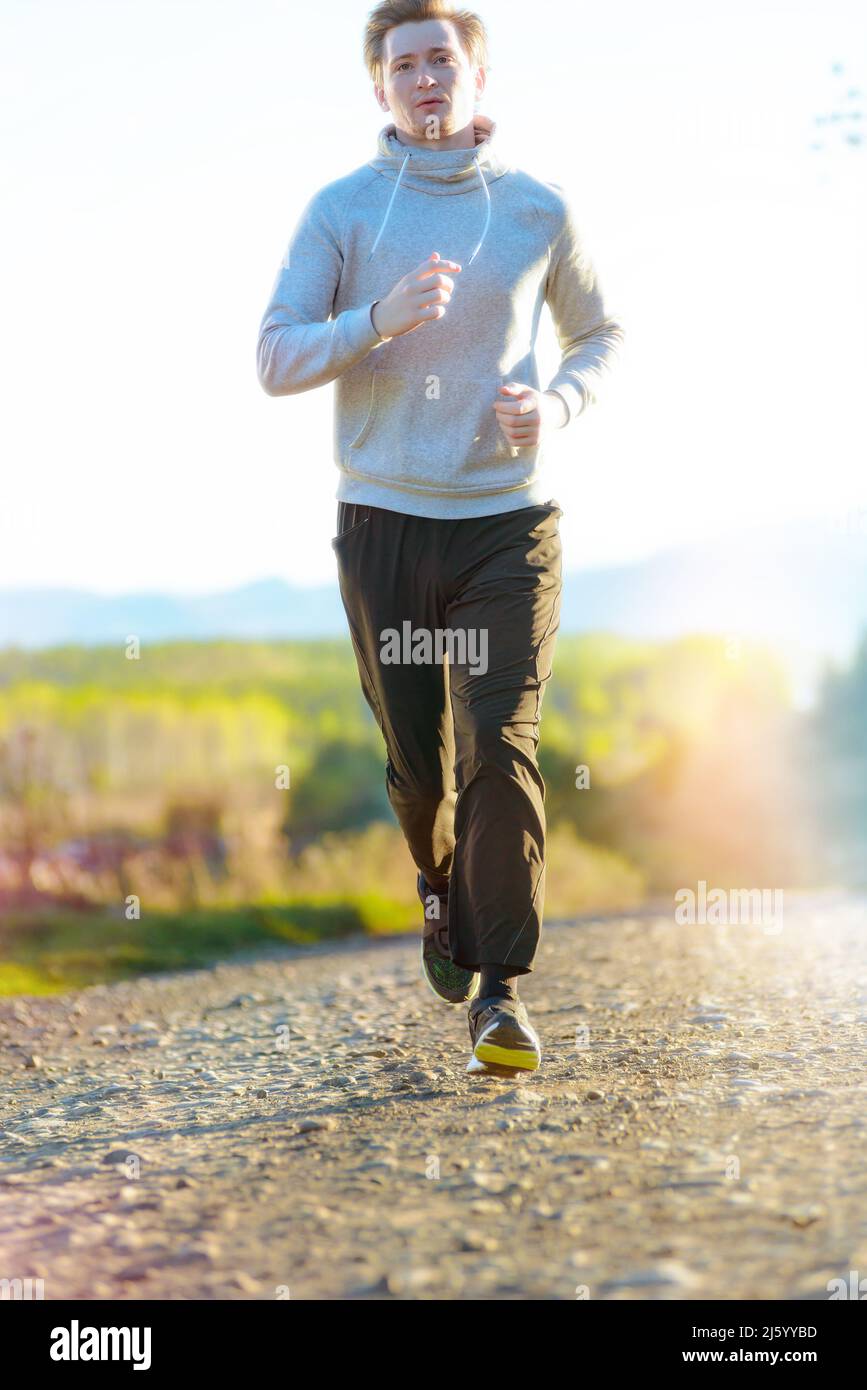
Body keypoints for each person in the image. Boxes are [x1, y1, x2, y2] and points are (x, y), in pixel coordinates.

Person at [256, 0, 624, 1075]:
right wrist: (379, 319)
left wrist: (555, 407)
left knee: (500, 752)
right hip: (384, 527)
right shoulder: (343, 212)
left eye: (441, 59)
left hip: (509, 528)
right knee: (423, 774)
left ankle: (501, 994)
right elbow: (274, 356)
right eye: (404, 63)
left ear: (476, 75)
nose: (425, 78)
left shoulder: (537, 210)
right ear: (380, 86)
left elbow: (600, 333)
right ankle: (434, 878)